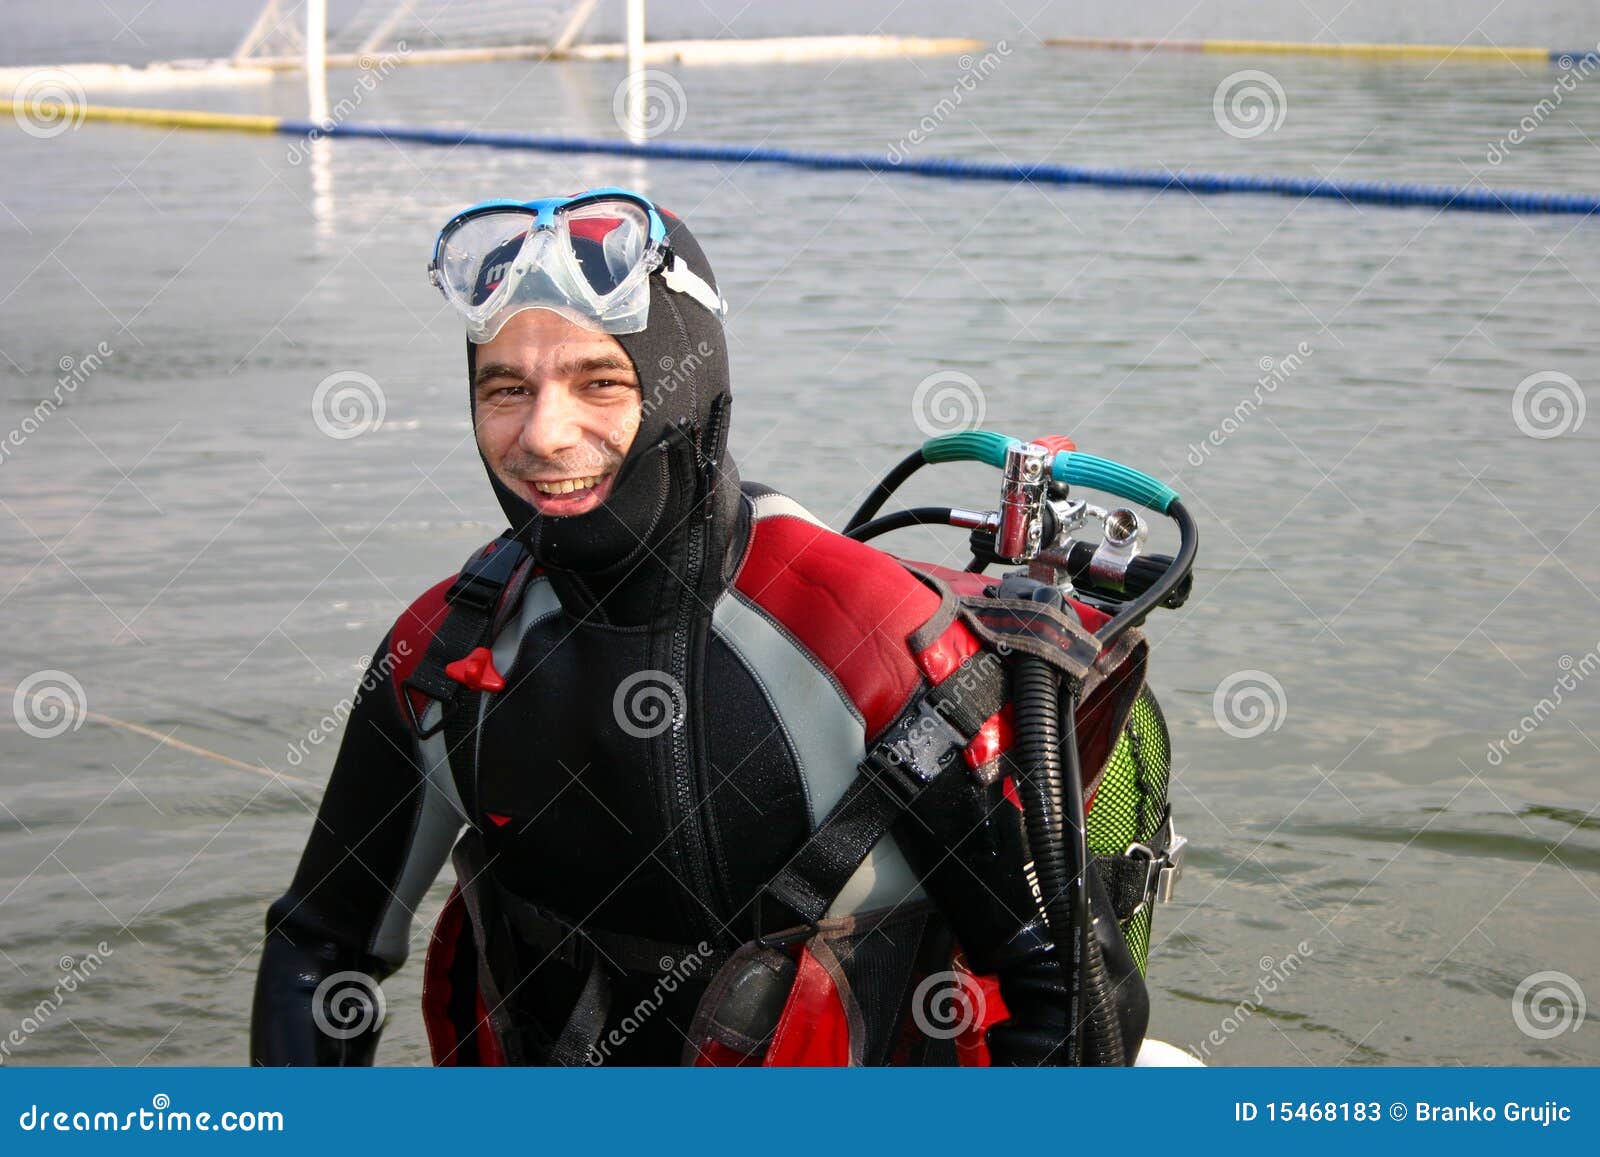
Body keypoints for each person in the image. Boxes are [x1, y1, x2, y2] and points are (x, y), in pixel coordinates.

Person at [250, 188, 1180, 1066]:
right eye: (505, 388)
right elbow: (320, 945)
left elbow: (1073, 991)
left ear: (690, 394)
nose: (543, 433)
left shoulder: (872, 642)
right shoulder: (443, 654)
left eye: (599, 381)